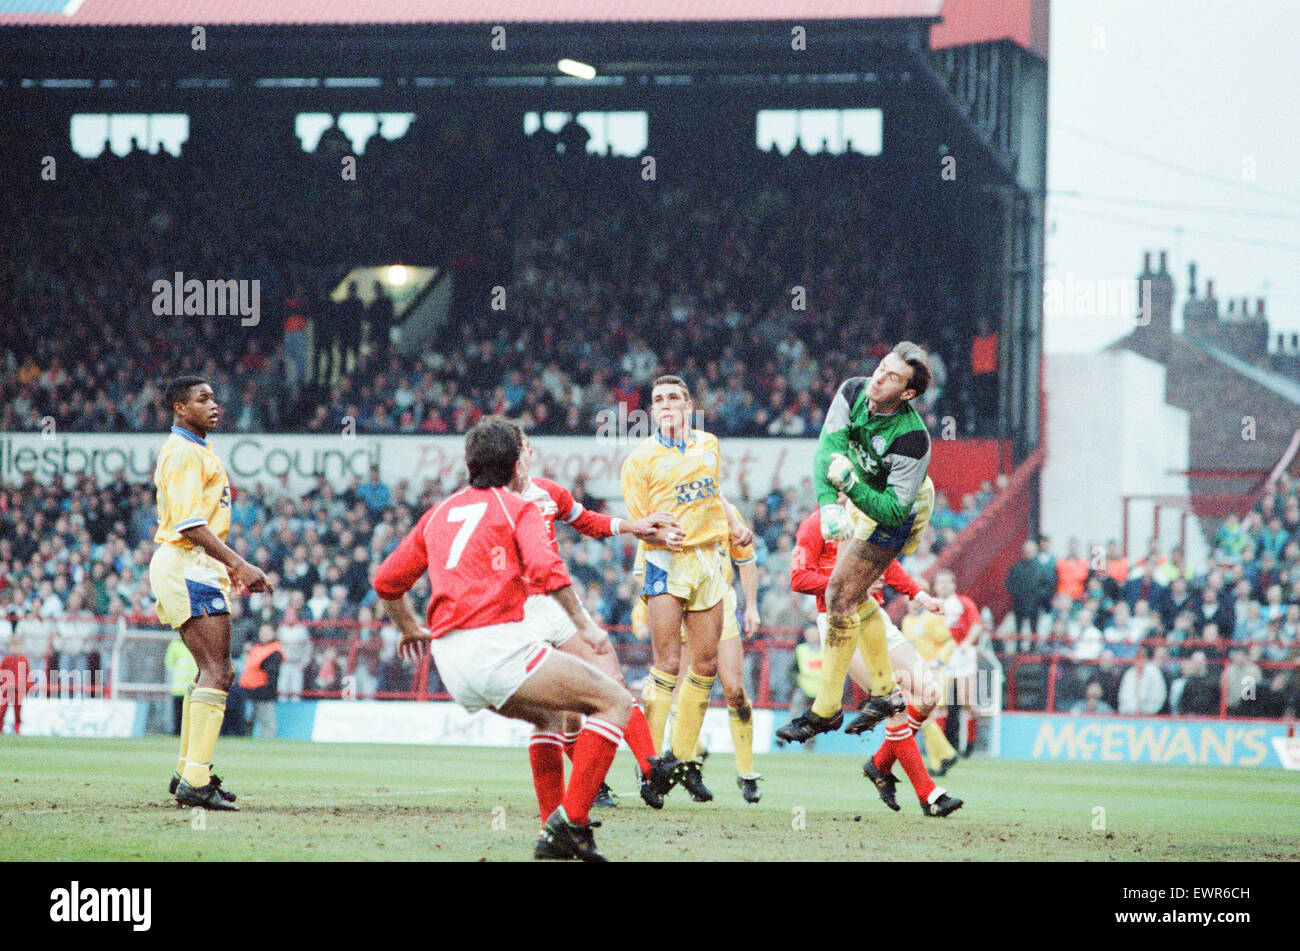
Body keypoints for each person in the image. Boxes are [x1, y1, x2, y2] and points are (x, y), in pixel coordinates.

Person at [374, 417, 631, 861]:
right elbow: (548, 571)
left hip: (451, 661)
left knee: (548, 719)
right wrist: (585, 626)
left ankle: (555, 832)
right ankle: (572, 824)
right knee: (615, 702)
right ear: (517, 465)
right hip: (496, 647)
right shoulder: (519, 507)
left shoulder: (439, 513)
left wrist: (410, 628)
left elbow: (385, 582)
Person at [777, 342, 936, 743]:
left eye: (893, 377)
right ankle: (880, 694)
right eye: (881, 367)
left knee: (839, 595)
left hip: (901, 511)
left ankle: (828, 709)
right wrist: (829, 505)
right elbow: (827, 449)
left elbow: (893, 511)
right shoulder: (852, 391)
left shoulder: (913, 438)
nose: (879, 378)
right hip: (865, 498)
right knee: (849, 596)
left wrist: (848, 486)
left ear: (908, 394)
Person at [514, 458, 684, 809]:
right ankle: (587, 793)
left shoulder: (548, 492)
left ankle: (651, 771)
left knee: (613, 681)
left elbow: (587, 521)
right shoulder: (489, 502)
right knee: (564, 712)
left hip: (559, 601)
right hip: (517, 610)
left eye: (526, 450)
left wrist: (632, 526)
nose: (522, 457)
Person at [621, 375, 752, 800]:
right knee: (667, 663)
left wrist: (732, 522)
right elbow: (639, 523)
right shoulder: (640, 459)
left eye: (674, 397)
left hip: (708, 560)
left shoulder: (709, 444)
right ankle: (648, 768)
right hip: (665, 562)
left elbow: (712, 496)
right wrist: (661, 538)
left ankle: (679, 759)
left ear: (689, 404)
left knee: (707, 664)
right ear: (652, 410)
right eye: (659, 400)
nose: (666, 404)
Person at [789, 506, 963, 817]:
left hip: (875, 617)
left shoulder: (868, 519)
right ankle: (929, 796)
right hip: (838, 619)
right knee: (892, 702)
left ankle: (880, 764)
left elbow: (888, 565)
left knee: (929, 693)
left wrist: (920, 597)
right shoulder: (815, 525)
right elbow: (799, 578)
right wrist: (851, 581)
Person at [150, 376, 272, 810]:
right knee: (218, 671)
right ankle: (195, 780)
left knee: (211, 670)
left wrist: (226, 567)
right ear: (180, 408)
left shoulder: (197, 449)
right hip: (185, 563)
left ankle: (189, 771)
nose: (214, 405)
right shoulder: (183, 452)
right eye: (202, 399)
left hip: (192, 566)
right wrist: (237, 562)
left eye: (214, 397)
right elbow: (188, 524)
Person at [647, 500, 764, 803]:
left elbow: (746, 557)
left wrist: (751, 605)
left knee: (734, 688)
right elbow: (645, 563)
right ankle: (685, 762)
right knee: (680, 685)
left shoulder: (723, 508)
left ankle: (746, 771)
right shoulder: (663, 508)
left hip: (717, 601)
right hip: (676, 597)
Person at [238, 622, 283, 738]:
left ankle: (267, 743)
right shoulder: (257, 647)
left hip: (263, 691)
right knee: (248, 721)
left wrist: (269, 691)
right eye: (262, 632)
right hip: (248, 689)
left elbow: (272, 675)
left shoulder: (274, 651)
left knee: (267, 722)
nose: (264, 634)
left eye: (267, 632)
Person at [163, 634, 198, 737]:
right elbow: (169, 663)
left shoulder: (196, 643)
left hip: (194, 687)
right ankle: (177, 732)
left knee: (193, 713)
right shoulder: (175, 644)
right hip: (179, 687)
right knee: (178, 713)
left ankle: (192, 733)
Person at [1, 634, 35, 734]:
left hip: (18, 691)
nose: (15, 648)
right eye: (13, 646)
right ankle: (1, 728)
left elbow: (28, 674)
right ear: (10, 647)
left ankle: (17, 729)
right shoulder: (6, 659)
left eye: (17, 646)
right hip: (7, 691)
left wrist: (29, 687)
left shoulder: (23, 659)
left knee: (17, 712)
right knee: (2, 711)